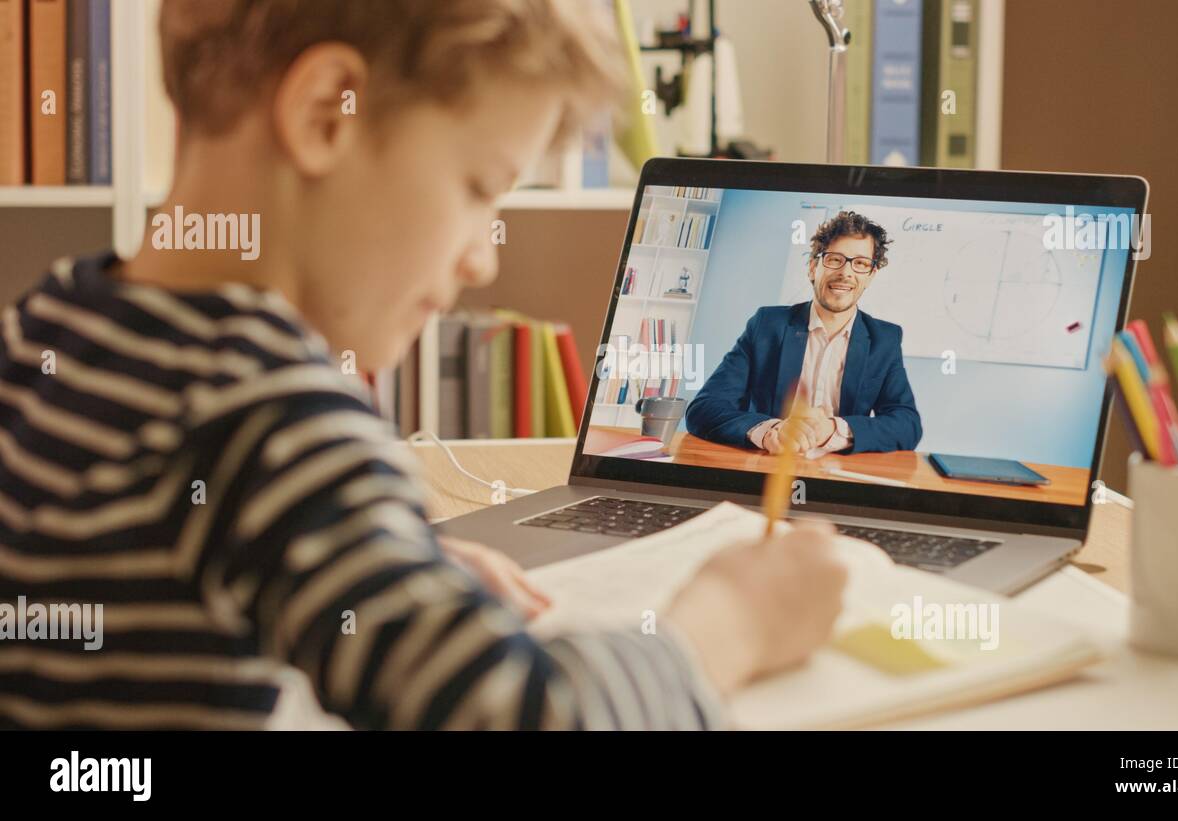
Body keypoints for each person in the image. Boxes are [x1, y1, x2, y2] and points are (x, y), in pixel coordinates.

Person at [0, 0, 847, 730]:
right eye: (480, 187)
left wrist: (378, 569)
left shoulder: (50, 321)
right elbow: (526, 716)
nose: (483, 258)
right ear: (327, 116)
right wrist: (730, 622)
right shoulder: (265, 410)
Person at [685, 211, 922, 457]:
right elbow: (704, 408)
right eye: (834, 259)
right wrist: (770, 431)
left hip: (838, 475)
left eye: (860, 263)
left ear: (870, 275)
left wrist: (833, 429)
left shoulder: (884, 339)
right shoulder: (767, 325)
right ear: (812, 267)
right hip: (769, 464)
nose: (846, 273)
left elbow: (907, 425)